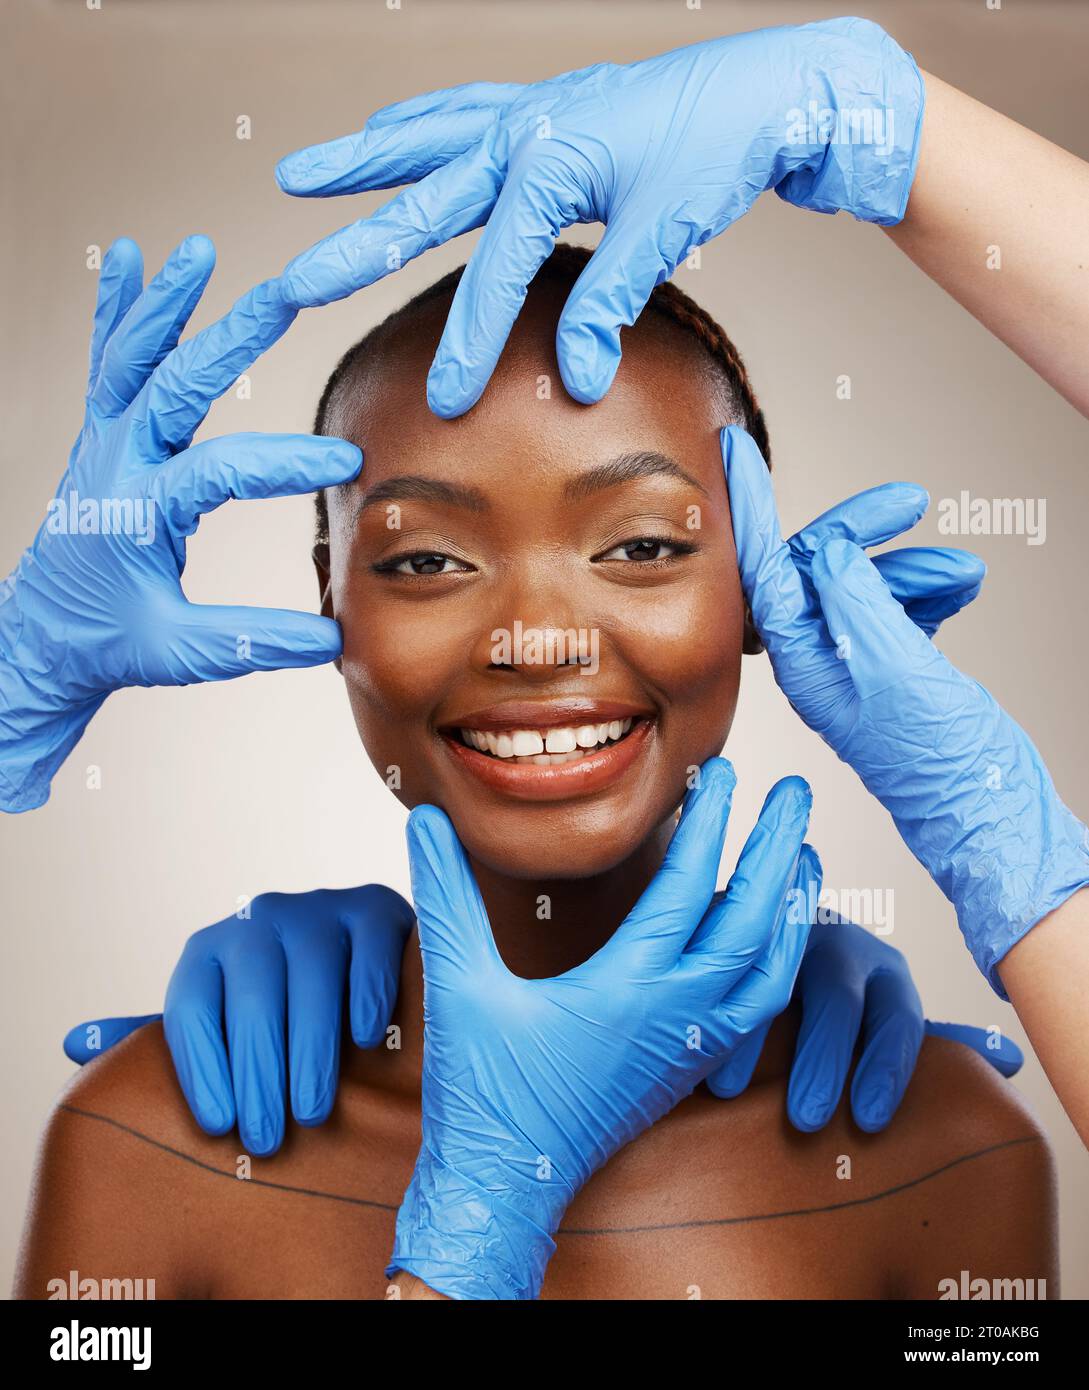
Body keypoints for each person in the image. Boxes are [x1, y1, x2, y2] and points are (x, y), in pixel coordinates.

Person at [16, 249, 1055, 1300]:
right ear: (330, 593)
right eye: (426, 559)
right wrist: (483, 1216)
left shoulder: (948, 1148)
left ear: (757, 585)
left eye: (644, 545)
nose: (539, 639)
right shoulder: (149, 1146)